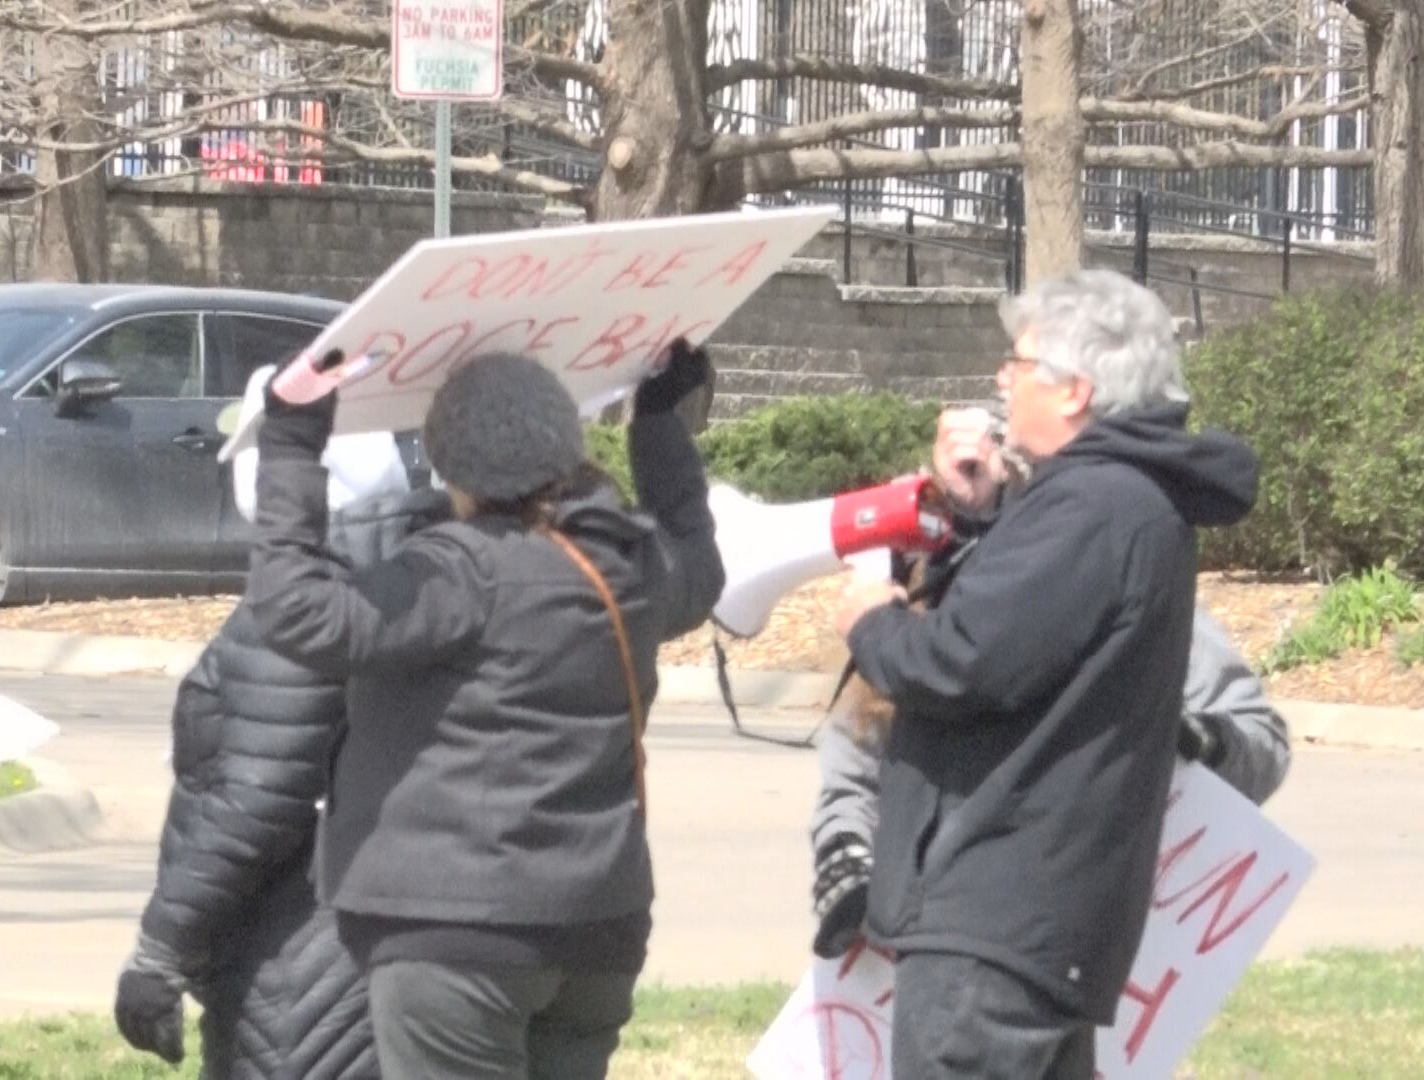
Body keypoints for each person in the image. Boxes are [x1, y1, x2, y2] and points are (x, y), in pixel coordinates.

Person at [242, 344, 724, 1080]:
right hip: (599, 927)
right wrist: (658, 422)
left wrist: (292, 440)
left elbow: (296, 610)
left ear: (452, 469)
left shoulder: (461, 571)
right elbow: (701, 565)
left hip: (457, 938)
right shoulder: (631, 563)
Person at [829, 269, 1259, 1079]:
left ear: (1074, 392)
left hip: (992, 929)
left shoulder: (1094, 508)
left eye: (1017, 364)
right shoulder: (1116, 501)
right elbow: (1030, 637)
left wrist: (872, 621)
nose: (1001, 380)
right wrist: (985, 518)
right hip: (1042, 928)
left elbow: (961, 663)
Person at [810, 405, 1291, 961]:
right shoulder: (910, 619)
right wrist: (848, 872)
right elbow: (853, 774)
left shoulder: (1112, 567)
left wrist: (1173, 740)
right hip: (938, 949)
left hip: (1083, 939)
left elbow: (1260, 744)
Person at [115, 414, 445, 1078]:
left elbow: (257, 803)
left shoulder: (308, 600)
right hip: (379, 947)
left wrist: (162, 949)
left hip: (298, 961)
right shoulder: (423, 570)